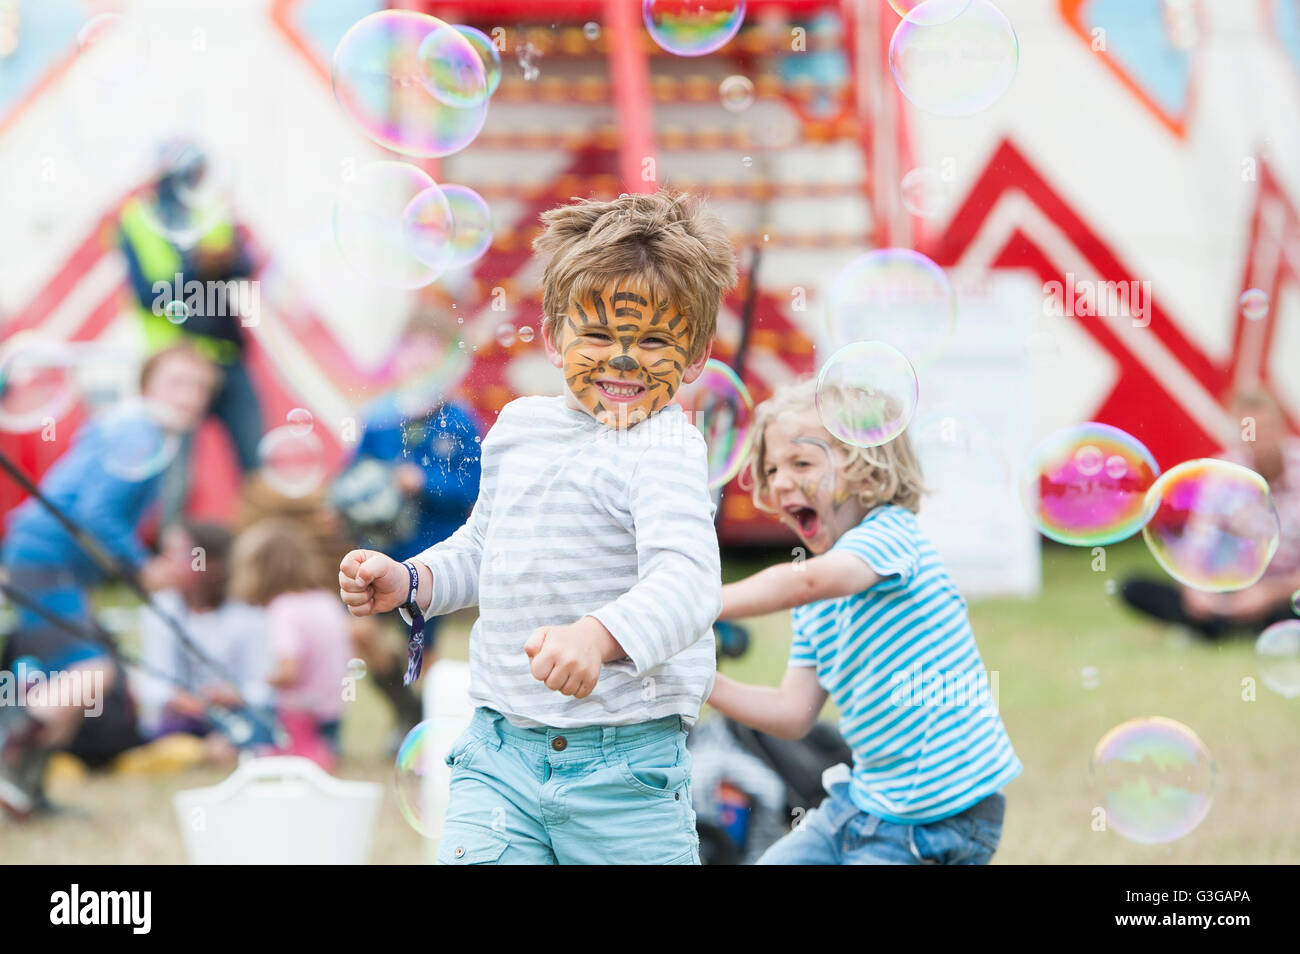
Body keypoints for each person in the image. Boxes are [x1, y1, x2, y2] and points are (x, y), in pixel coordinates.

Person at [338, 191, 737, 864]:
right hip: (499, 752)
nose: (624, 360)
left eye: (655, 342)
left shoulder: (664, 448)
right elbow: (487, 547)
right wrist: (415, 579)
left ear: (695, 356)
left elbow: (690, 583)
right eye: (601, 336)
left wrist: (598, 636)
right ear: (554, 338)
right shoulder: (519, 429)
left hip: (624, 770)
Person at [707, 378, 1021, 864]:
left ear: (868, 477)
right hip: (864, 806)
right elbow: (792, 712)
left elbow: (807, 581)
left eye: (802, 463)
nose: (782, 480)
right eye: (772, 468)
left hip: (941, 820)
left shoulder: (892, 536)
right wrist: (698, 683)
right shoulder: (815, 605)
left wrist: (696, 604)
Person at [0, 343, 220, 817]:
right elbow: (96, 513)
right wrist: (141, 566)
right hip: (45, 553)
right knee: (92, 672)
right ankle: (9, 745)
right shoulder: (139, 430)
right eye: (178, 382)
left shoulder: (134, 428)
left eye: (201, 387)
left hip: (51, 559)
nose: (191, 396)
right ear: (147, 385)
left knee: (75, 678)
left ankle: (25, 792)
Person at [332, 308, 483, 741]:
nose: (417, 362)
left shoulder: (458, 420)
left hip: (434, 558)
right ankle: (405, 712)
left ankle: (423, 728)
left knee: (423, 650)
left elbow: (474, 488)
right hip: (379, 553)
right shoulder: (379, 418)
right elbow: (351, 474)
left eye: (430, 353)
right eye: (410, 350)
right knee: (362, 634)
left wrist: (423, 482)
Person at [118, 139, 262, 526]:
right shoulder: (137, 218)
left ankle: (267, 562)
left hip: (227, 357)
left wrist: (226, 261)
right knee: (175, 478)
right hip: (176, 364)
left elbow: (244, 267)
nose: (195, 180)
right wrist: (200, 267)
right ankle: (171, 571)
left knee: (257, 467)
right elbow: (148, 295)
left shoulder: (211, 210)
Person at [1121, 390, 1300, 638]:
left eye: (1266, 429)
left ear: (1283, 427)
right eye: (1250, 431)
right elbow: (1199, 544)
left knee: (1287, 608)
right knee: (1133, 587)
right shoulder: (1225, 474)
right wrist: (1199, 593)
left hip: (1287, 590)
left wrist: (1269, 593)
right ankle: (1235, 624)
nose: (1260, 440)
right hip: (1235, 591)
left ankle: (1217, 628)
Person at [136, 522, 272, 757]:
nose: (167, 565)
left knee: (260, 723)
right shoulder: (161, 608)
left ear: (212, 566)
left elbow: (265, 686)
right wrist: (178, 699)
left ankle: (222, 747)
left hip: (236, 713)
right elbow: (152, 682)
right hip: (182, 718)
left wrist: (235, 695)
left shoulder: (248, 615)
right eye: (166, 555)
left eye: (178, 555)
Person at [230, 519, 353, 772]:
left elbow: (289, 671)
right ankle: (322, 752)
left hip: (299, 720)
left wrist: (252, 686)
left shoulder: (283, 608)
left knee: (237, 722)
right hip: (332, 717)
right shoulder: (326, 600)